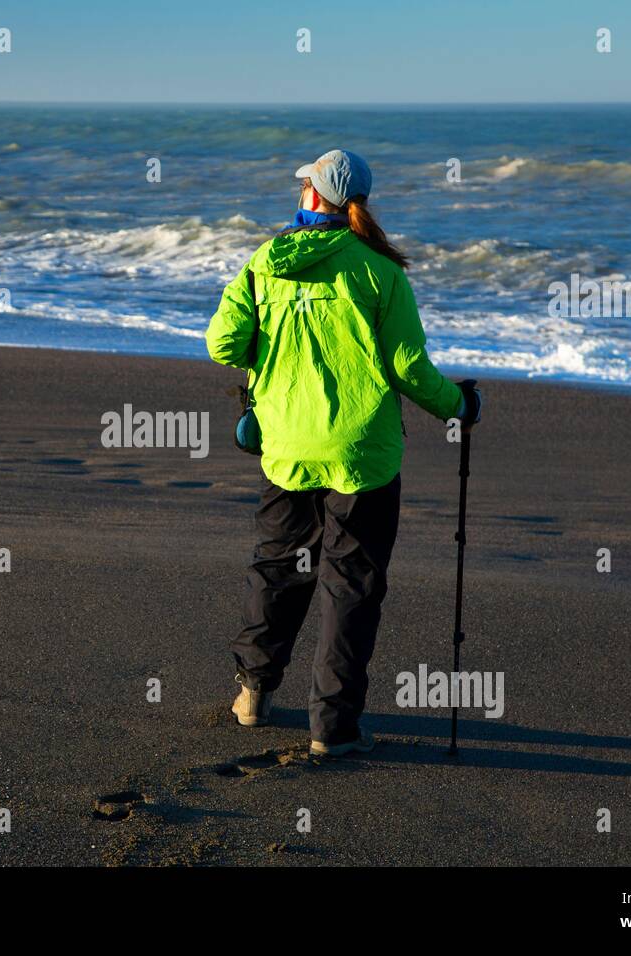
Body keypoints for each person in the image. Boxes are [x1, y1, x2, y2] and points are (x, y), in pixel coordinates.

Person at [206, 149, 481, 756]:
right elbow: (409, 369)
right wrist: (457, 406)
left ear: (311, 196)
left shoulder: (263, 264)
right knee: (350, 586)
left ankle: (253, 695)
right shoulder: (381, 273)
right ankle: (332, 727)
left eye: (303, 183)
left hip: (286, 448)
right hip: (363, 456)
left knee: (278, 567)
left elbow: (225, 343)